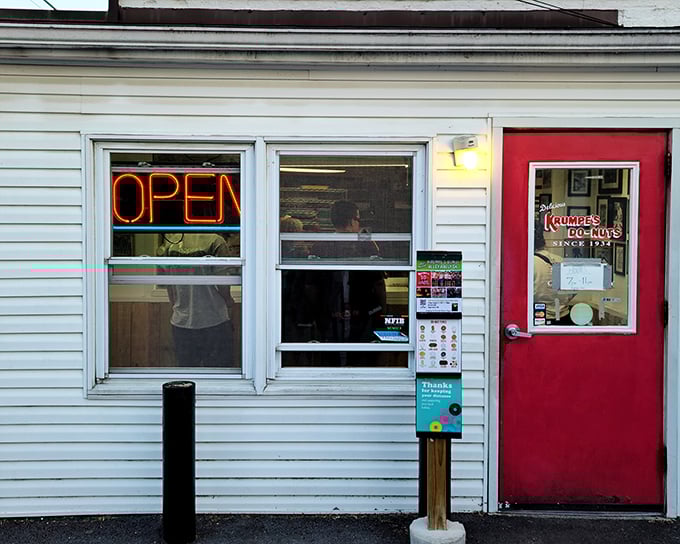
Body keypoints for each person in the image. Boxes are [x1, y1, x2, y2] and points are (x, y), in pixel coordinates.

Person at [310, 200, 387, 345]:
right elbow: (378, 285)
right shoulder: (367, 246)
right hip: (362, 312)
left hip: (328, 313)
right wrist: (382, 312)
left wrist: (317, 312)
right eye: (358, 219)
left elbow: (311, 287)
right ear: (352, 221)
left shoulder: (320, 245)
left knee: (329, 354)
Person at [157, 232, 236, 367]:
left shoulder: (171, 243)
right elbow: (222, 282)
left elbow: (168, 284)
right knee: (219, 374)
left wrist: (177, 306)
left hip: (181, 322)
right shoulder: (216, 242)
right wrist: (228, 301)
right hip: (214, 320)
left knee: (188, 373)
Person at [534, 223, 575, 325]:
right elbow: (573, 290)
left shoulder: (528, 264)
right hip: (564, 318)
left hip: (537, 318)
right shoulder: (561, 261)